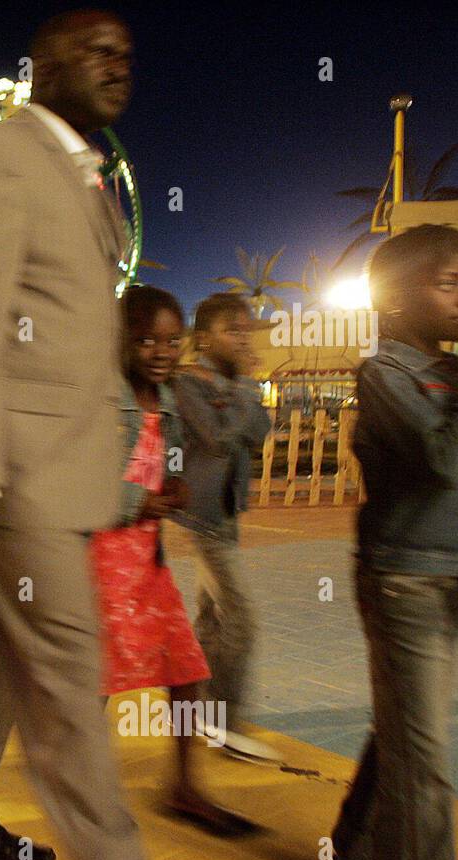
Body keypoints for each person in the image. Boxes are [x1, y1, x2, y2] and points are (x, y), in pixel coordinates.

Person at [0, 9, 174, 860]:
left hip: (78, 474)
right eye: (94, 52)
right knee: (68, 683)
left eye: (126, 54)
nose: (117, 66)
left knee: (5, 646)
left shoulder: (91, 179)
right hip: (18, 475)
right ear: (41, 68)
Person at [323, 225, 458, 860]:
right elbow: (445, 458)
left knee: (405, 733)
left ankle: (349, 851)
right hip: (403, 580)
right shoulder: (385, 373)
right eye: (449, 284)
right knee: (425, 764)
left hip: (452, 576)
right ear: (398, 302)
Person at [92, 286, 257, 836]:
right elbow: (73, 481)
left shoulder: (164, 402)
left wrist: (176, 483)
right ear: (120, 341)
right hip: (98, 560)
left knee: (185, 670)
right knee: (97, 683)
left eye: (170, 340)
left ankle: (185, 787)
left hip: (147, 562)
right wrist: (142, 500)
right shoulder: (102, 399)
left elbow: (178, 457)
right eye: (146, 340)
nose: (161, 351)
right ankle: (83, 793)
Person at [171, 293, 281, 763]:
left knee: (213, 619)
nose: (242, 338)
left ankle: (193, 711)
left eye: (245, 330)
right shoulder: (188, 382)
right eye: (232, 330)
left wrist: (244, 390)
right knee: (242, 620)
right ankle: (224, 726)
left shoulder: (239, 385)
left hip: (227, 510)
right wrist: (242, 393)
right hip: (202, 515)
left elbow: (258, 434)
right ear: (202, 338)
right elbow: (215, 439)